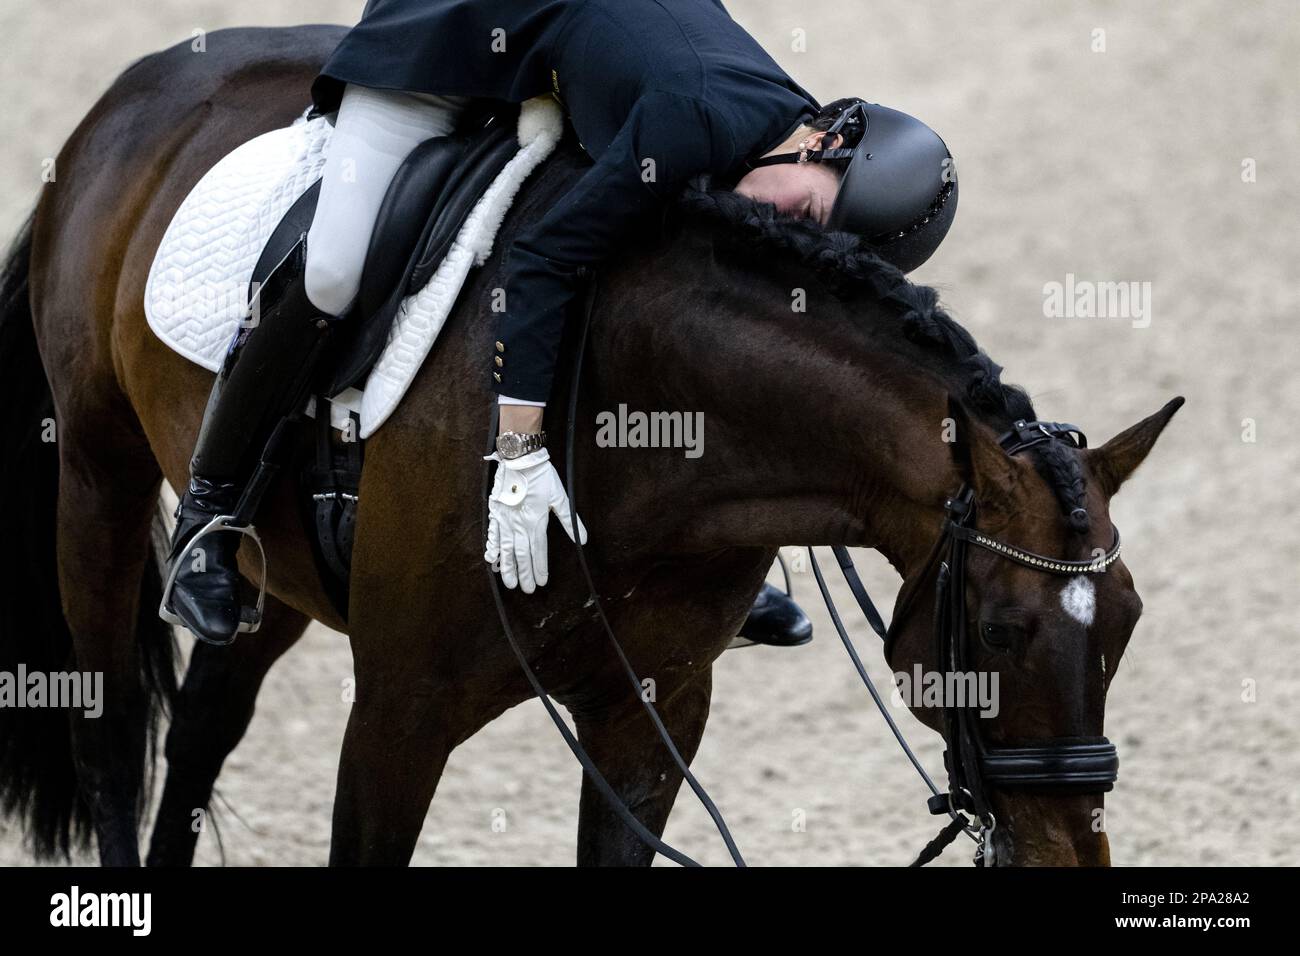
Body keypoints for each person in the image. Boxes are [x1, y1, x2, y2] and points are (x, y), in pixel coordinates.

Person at [160, 0, 958, 647]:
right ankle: (209, 514)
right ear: (823, 138)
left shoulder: (777, 142)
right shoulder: (694, 121)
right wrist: (518, 452)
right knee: (335, 270)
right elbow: (540, 265)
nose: (792, 243)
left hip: (553, 58)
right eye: (810, 215)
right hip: (446, 46)